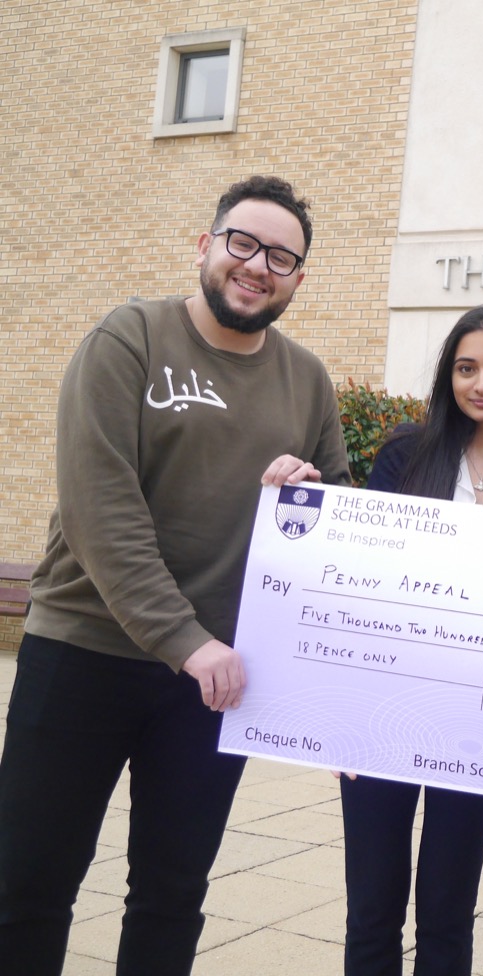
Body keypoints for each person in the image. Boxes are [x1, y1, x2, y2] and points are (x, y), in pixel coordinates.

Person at [0, 175, 349, 975]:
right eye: (244, 244)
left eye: (282, 257)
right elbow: (100, 511)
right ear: (206, 245)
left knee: (171, 894)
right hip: (84, 653)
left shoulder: (307, 380)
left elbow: (337, 520)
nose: (259, 266)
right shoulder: (129, 340)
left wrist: (316, 492)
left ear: (299, 278)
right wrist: (184, 640)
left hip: (213, 683)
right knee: (30, 885)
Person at [339, 304, 483, 976]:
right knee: (372, 906)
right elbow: (363, 586)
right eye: (467, 368)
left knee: (447, 908)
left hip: (478, 725)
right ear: (449, 376)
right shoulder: (404, 456)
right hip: (386, 713)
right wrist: (339, 719)